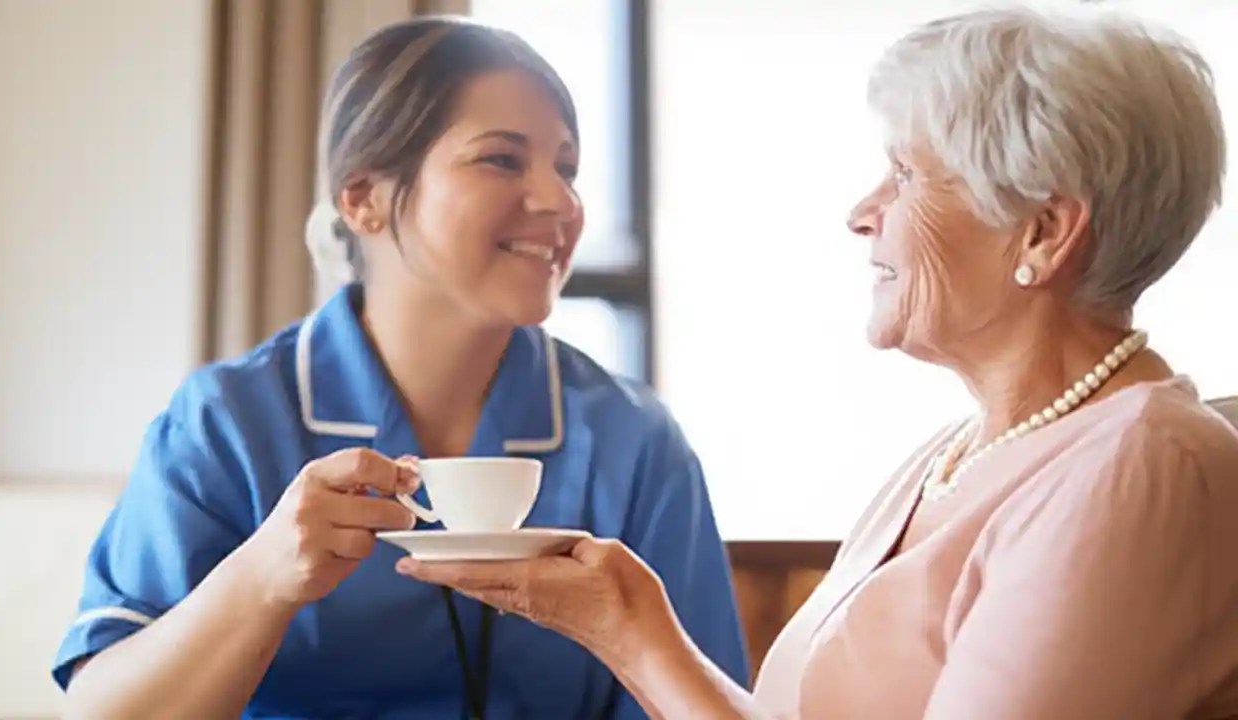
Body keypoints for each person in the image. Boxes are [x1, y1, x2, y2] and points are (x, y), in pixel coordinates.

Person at [399, 6, 1238, 719]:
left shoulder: (1145, 467)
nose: (863, 213)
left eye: (905, 174)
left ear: (1045, 232)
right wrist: (627, 625)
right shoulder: (954, 456)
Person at [53, 17, 747, 719]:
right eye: (503, 160)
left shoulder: (634, 444)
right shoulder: (224, 424)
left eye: (565, 168)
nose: (561, 203)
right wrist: (263, 577)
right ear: (363, 200)